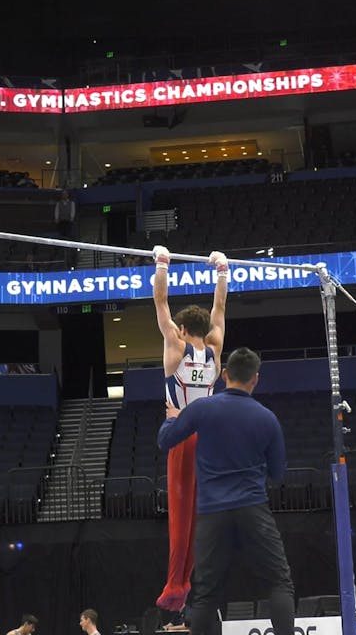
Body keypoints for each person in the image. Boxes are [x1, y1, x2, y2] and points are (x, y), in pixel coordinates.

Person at [157, 347, 294, 635]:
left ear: (224, 375)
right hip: (252, 507)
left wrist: (172, 417)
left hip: (212, 512)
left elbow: (166, 440)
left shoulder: (203, 408)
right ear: (255, 379)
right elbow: (278, 472)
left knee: (206, 593)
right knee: (279, 582)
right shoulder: (267, 418)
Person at [152, 244, 229, 615]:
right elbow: (221, 309)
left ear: (182, 329)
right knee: (199, 513)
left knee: (180, 513)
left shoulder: (174, 347)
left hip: (182, 434)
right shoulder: (215, 349)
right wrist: (222, 272)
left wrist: (163, 263)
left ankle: (175, 585)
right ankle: (186, 581)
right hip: (210, 438)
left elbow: (161, 301)